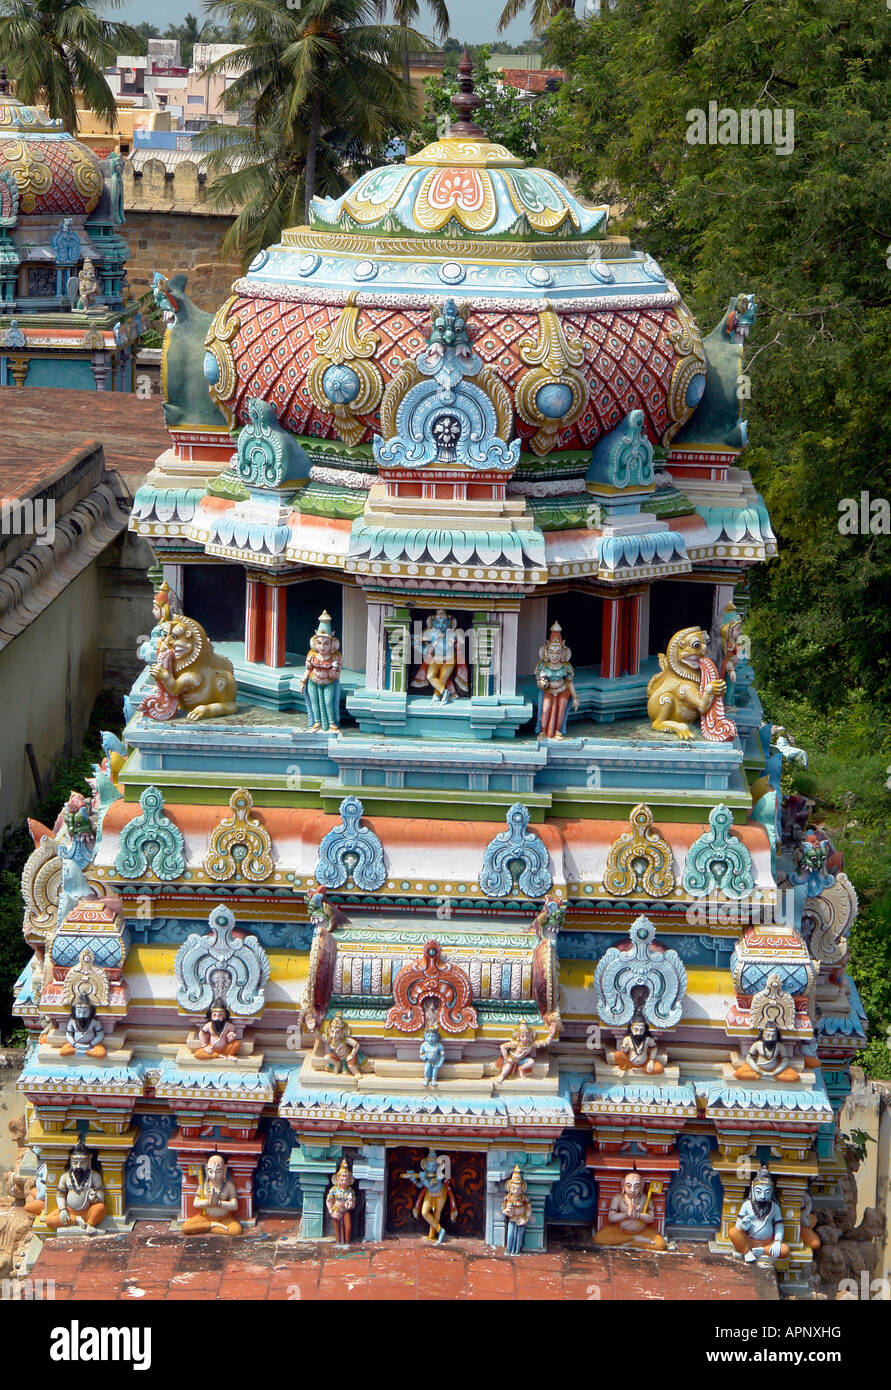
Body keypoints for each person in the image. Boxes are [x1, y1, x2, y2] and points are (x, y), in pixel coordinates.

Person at [592, 1171, 667, 1251]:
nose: (632, 1190)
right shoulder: (618, 1198)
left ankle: (630, 1243)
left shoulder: (646, 1199)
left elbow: (651, 1218)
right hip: (620, 1231)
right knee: (598, 1238)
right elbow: (611, 1217)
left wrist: (638, 1215)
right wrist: (625, 1215)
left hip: (642, 1231)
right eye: (628, 1186)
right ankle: (632, 1239)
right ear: (623, 1185)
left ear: (642, 1186)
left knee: (660, 1244)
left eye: (636, 1187)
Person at [729, 1166, 789, 1264]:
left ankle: (763, 1251)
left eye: (767, 1192)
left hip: (768, 1244)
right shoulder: (747, 1205)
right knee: (733, 1232)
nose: (762, 1196)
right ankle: (746, 1252)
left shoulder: (774, 1207)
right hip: (748, 1241)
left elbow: (779, 1226)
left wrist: (777, 1241)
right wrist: (744, 1226)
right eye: (758, 1192)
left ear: (772, 1192)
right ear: (752, 1190)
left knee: (785, 1250)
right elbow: (737, 1226)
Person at [45, 1141, 106, 1234]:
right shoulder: (65, 1177)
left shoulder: (95, 1176)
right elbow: (60, 1196)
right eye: (75, 1162)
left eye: (83, 1163)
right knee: (49, 1220)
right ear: (70, 1161)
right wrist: (63, 1210)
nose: (78, 1166)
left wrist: (94, 1198)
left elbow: (101, 1199)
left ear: (89, 1160)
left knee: (100, 1208)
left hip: (87, 1211)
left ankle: (90, 1224)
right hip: (70, 1211)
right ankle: (76, 1220)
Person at [299, 612, 342, 732]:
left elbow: (337, 675)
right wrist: (303, 681)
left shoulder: (335, 657)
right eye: (319, 643)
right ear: (315, 643)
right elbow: (308, 669)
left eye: (326, 643)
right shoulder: (312, 655)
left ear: (332, 643)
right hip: (313, 681)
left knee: (328, 702)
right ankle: (317, 722)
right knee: (315, 702)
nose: (322, 647)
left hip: (328, 682)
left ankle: (332, 724)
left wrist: (331, 671)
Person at [534, 623, 579, 740]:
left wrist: (575, 697)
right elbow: (539, 682)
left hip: (563, 690)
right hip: (548, 691)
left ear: (563, 653)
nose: (554, 656)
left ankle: (558, 731)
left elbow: (569, 682)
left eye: (558, 653)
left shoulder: (566, 667)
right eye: (551, 652)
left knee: (560, 711)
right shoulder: (543, 666)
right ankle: (543, 731)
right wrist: (542, 682)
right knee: (545, 710)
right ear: (546, 653)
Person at [181, 1153, 243, 1236]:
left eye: (218, 1171)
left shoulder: (228, 1186)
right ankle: (211, 1225)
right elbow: (195, 1203)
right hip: (205, 1217)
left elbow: (235, 1205)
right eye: (210, 1171)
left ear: (224, 1170)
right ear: (206, 1170)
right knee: (185, 1227)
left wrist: (218, 1203)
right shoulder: (203, 1185)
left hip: (225, 1218)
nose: (214, 1176)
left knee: (236, 1230)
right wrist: (208, 1202)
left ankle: (208, 1228)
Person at [403, 1151, 457, 1244]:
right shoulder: (426, 1174)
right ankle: (440, 1230)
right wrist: (413, 1179)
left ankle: (432, 1236)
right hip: (429, 1193)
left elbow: (430, 1185)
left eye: (434, 1166)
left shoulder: (439, 1175)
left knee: (437, 1213)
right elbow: (420, 1185)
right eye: (429, 1166)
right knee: (424, 1212)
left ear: (437, 1167)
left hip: (440, 1194)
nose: (431, 1168)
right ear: (426, 1166)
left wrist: (423, 1178)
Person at [733, 1022, 802, 1082]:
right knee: (739, 1074)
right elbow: (749, 1058)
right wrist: (758, 1070)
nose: (770, 1039)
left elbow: (785, 1060)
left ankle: (771, 1077)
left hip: (775, 1071)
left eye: (773, 1036)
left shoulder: (780, 1046)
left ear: (777, 1036)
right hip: (758, 1070)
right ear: (763, 1035)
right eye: (767, 1036)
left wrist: (775, 1072)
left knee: (794, 1077)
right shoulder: (757, 1045)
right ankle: (764, 1078)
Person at [611, 1009, 666, 1075]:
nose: (639, 1033)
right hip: (630, 1062)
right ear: (631, 1029)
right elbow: (624, 1052)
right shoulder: (627, 1039)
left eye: (641, 1030)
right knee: (618, 1054)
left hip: (644, 1063)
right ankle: (623, 1068)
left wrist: (651, 1060)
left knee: (659, 1068)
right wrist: (624, 1050)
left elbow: (654, 1048)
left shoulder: (648, 1039)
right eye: (636, 1029)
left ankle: (640, 1070)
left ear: (645, 1029)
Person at [326, 1159, 356, 1246]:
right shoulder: (334, 1190)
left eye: (346, 1180)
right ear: (337, 1179)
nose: (344, 1182)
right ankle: (338, 1242)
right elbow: (329, 1201)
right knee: (337, 1227)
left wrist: (350, 1204)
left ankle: (346, 1242)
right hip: (336, 1209)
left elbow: (353, 1202)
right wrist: (331, 1211)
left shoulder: (350, 1190)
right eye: (342, 1179)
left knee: (348, 1227)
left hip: (345, 1210)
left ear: (350, 1180)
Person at [502, 1165, 532, 1255]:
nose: (516, 1191)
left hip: (521, 1218)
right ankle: (509, 1249)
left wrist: (526, 1218)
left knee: (519, 1236)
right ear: (510, 1188)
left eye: (518, 1189)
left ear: (522, 1188)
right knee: (510, 1235)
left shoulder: (524, 1198)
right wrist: (507, 1210)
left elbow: (528, 1208)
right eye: (514, 1188)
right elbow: (503, 1207)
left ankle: (517, 1250)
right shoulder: (508, 1197)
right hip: (512, 1218)